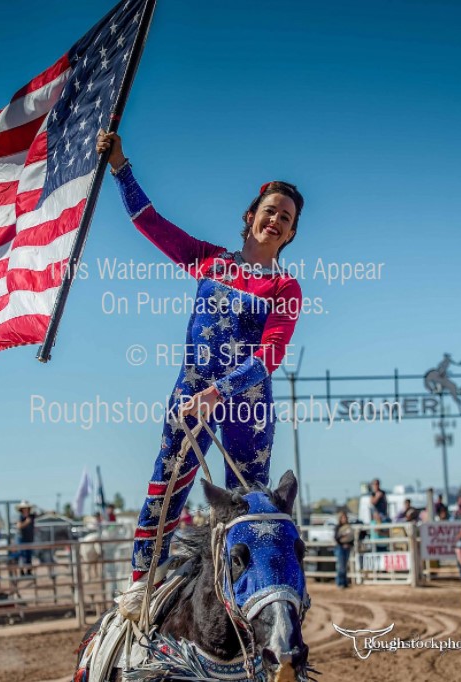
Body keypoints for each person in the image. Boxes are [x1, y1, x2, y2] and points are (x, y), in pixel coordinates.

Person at [95, 131, 305, 607]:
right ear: (251, 217)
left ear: (290, 234)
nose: (275, 220)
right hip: (190, 393)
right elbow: (151, 224)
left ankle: (249, 599)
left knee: (248, 510)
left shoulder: (286, 288)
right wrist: (120, 167)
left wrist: (220, 392)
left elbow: (269, 356)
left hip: (246, 407)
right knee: (166, 487)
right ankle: (140, 590)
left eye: (286, 218)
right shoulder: (210, 261)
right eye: (270, 211)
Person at [334, 511, 354, 588]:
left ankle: (344, 582)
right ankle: (340, 582)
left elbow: (351, 538)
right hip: (340, 548)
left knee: (345, 566)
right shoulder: (338, 527)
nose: (344, 519)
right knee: (341, 566)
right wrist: (343, 543)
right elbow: (336, 537)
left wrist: (349, 544)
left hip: (347, 547)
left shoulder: (348, 527)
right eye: (343, 517)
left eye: (345, 517)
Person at [15, 501, 36, 576]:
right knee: (22, 555)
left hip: (29, 538)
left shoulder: (31, 516)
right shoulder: (20, 516)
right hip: (22, 538)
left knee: (28, 555)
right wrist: (26, 522)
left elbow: (41, 514)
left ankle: (29, 571)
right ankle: (22, 571)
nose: (25, 509)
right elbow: (18, 526)